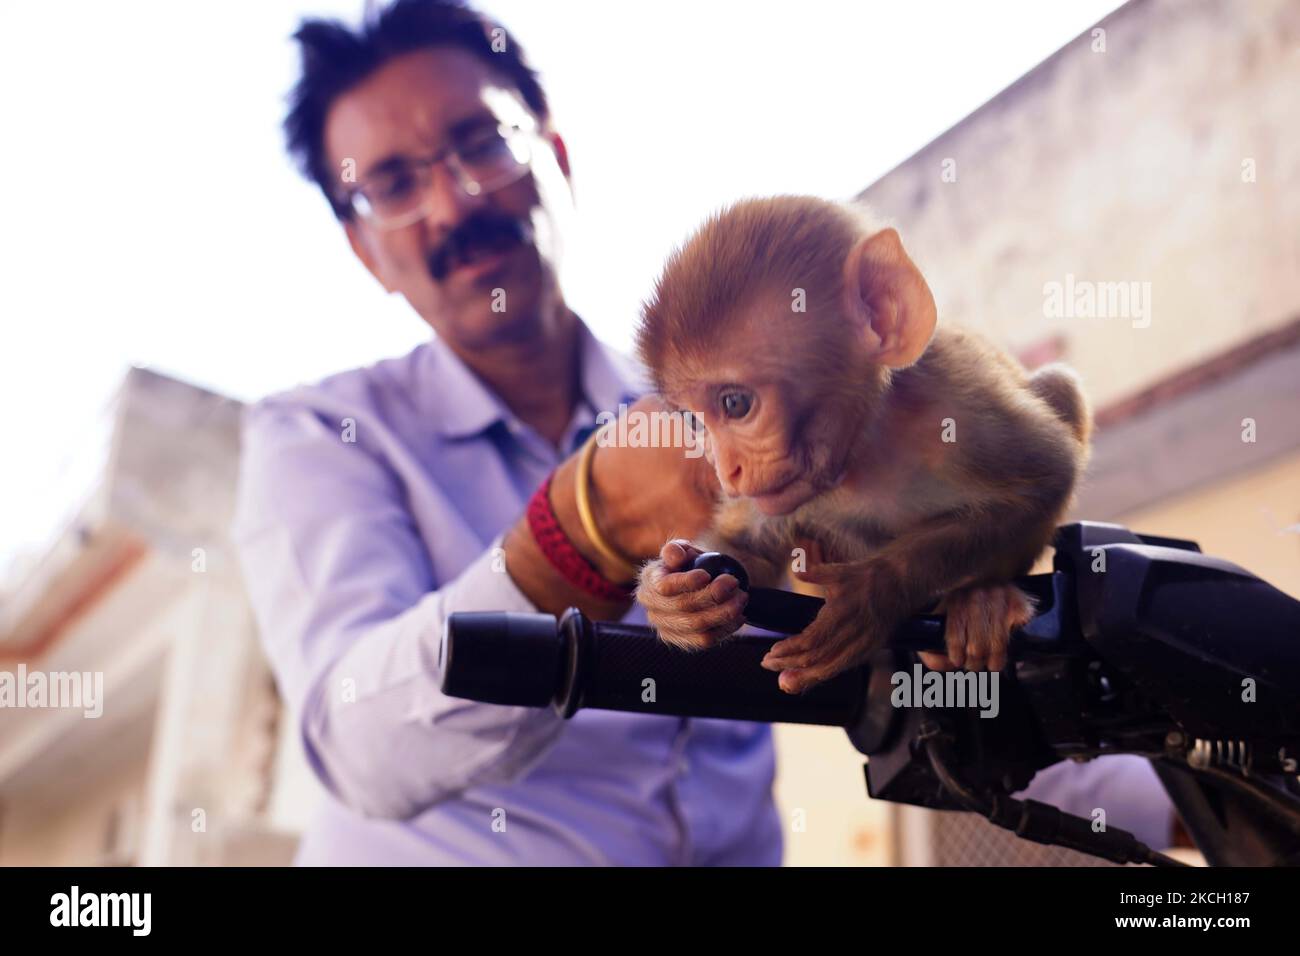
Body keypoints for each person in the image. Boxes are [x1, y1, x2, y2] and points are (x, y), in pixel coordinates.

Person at [231, 0, 781, 865]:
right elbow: (359, 744)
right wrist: (578, 535)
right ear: (364, 251)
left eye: (482, 142)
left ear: (556, 156)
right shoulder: (320, 436)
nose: (455, 202)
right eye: (394, 186)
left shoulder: (724, 403)